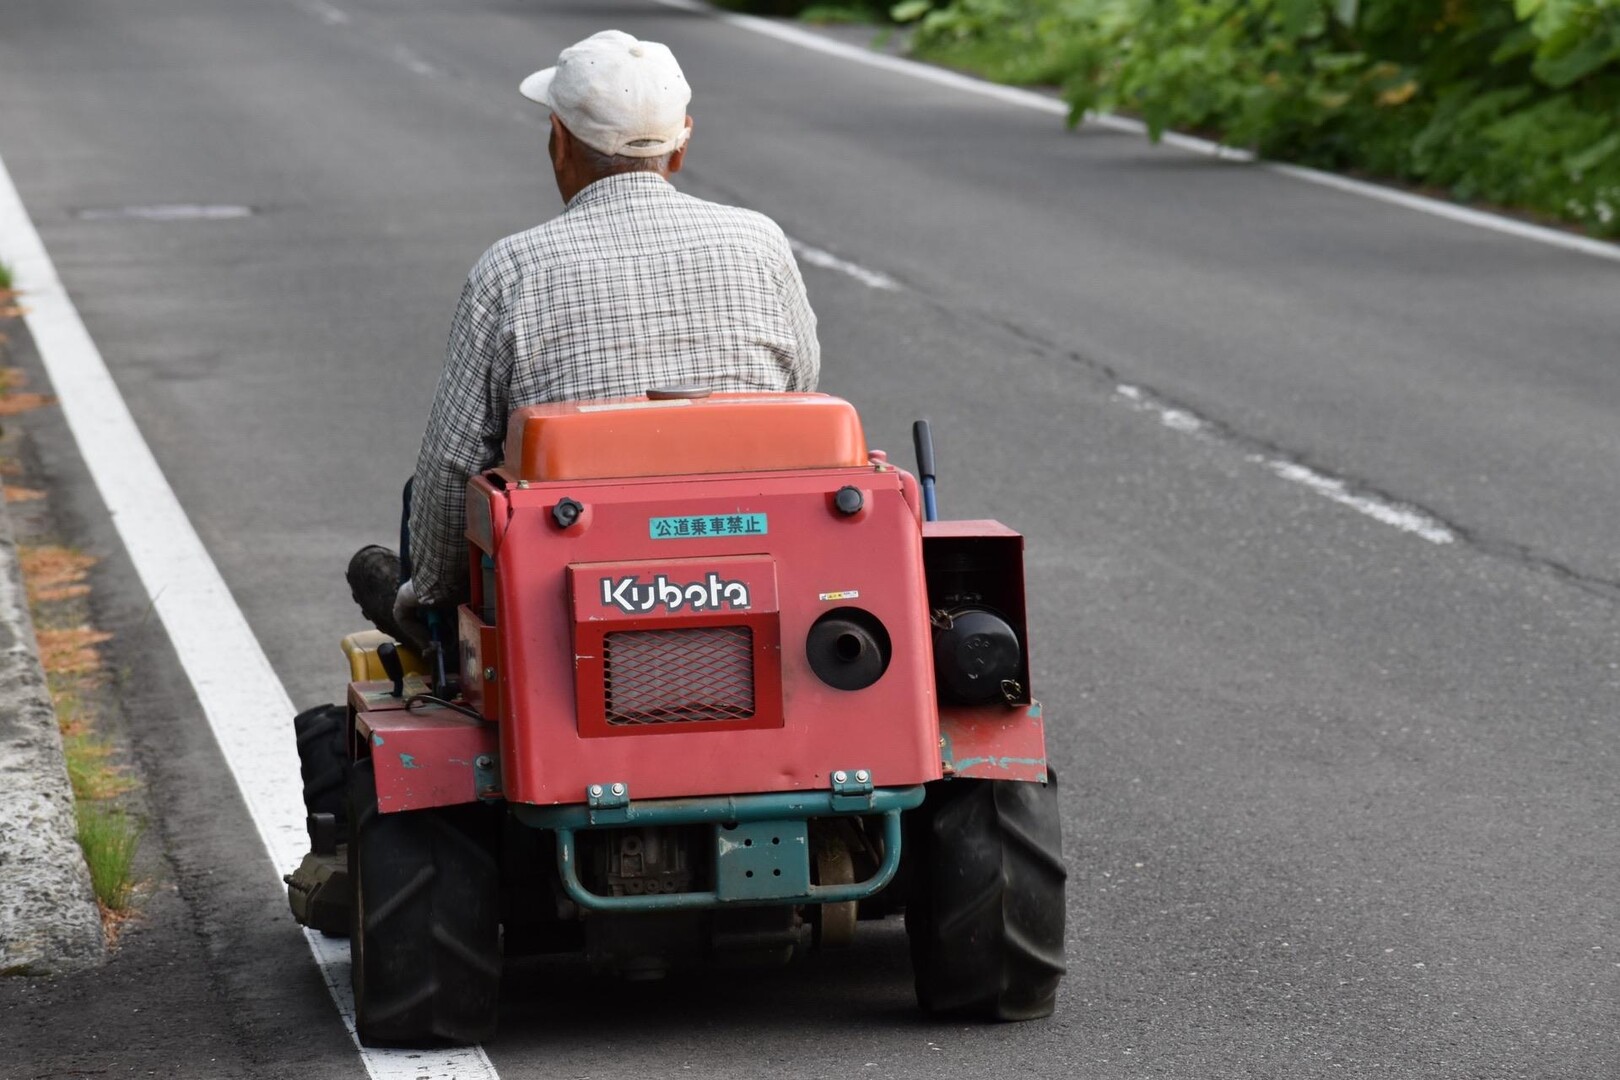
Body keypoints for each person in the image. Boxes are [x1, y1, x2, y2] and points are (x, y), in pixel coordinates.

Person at [350, 30, 821, 646]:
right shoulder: (761, 243)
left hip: (572, 583)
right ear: (681, 146)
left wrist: (431, 597)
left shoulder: (513, 268)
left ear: (559, 140)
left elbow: (454, 464)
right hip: (748, 552)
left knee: (427, 494)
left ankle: (438, 638)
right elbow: (799, 392)